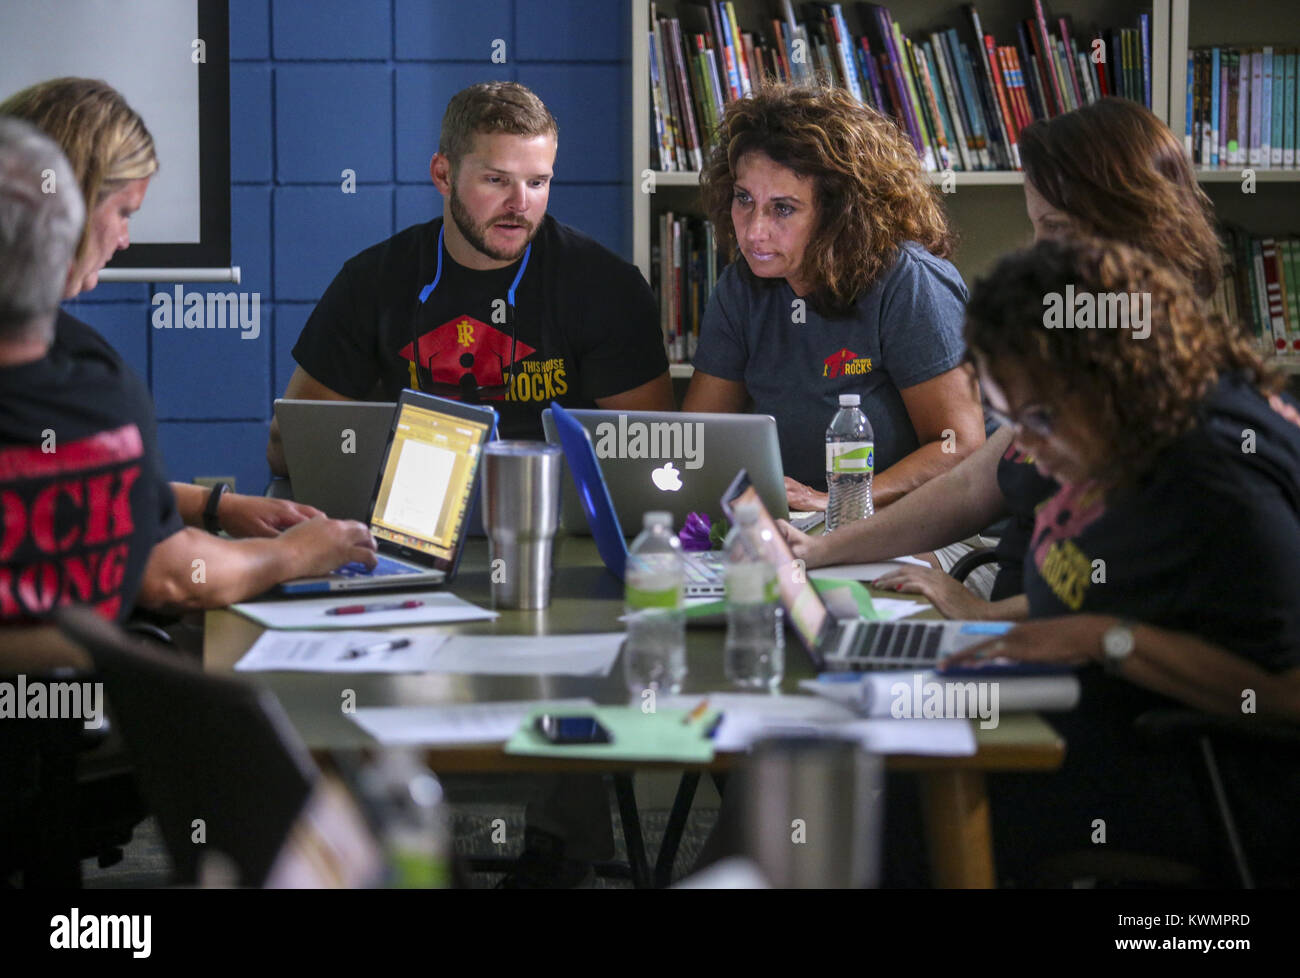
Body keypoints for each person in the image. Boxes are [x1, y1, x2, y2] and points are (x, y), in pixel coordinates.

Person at [779, 97, 1241, 619]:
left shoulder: (1181, 395)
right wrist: (817, 549)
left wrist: (984, 617)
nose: (1038, 253)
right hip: (1014, 641)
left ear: (1139, 227)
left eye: (1058, 229)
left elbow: (1139, 594)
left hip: (1049, 663)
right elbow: (975, 483)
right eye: (1037, 227)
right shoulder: (1084, 356)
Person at [945, 236, 1300, 881]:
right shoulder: (1138, 431)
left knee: (921, 803)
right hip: (1129, 721)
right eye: (1007, 419)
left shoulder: (1217, 481)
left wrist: (1103, 638)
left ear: (1114, 376)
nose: (1023, 445)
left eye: (1041, 417)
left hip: (1225, 777)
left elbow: (1289, 693)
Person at [2, 78, 378, 612]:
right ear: (69, 209)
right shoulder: (74, 382)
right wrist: (296, 555)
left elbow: (57, 482)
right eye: (124, 213)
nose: (126, 240)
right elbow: (170, 577)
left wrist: (214, 505)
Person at [267, 81, 674, 475]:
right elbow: (287, 449)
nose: (520, 204)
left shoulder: (608, 287)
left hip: (556, 514)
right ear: (443, 175)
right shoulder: (370, 281)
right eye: (496, 180)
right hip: (413, 513)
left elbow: (652, 459)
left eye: (537, 182)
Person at [681, 83, 986, 513]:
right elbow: (699, 439)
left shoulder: (908, 283)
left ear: (838, 212)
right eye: (744, 199)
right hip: (800, 523)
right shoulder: (741, 287)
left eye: (783, 208)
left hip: (921, 521)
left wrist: (837, 502)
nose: (753, 231)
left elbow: (960, 447)